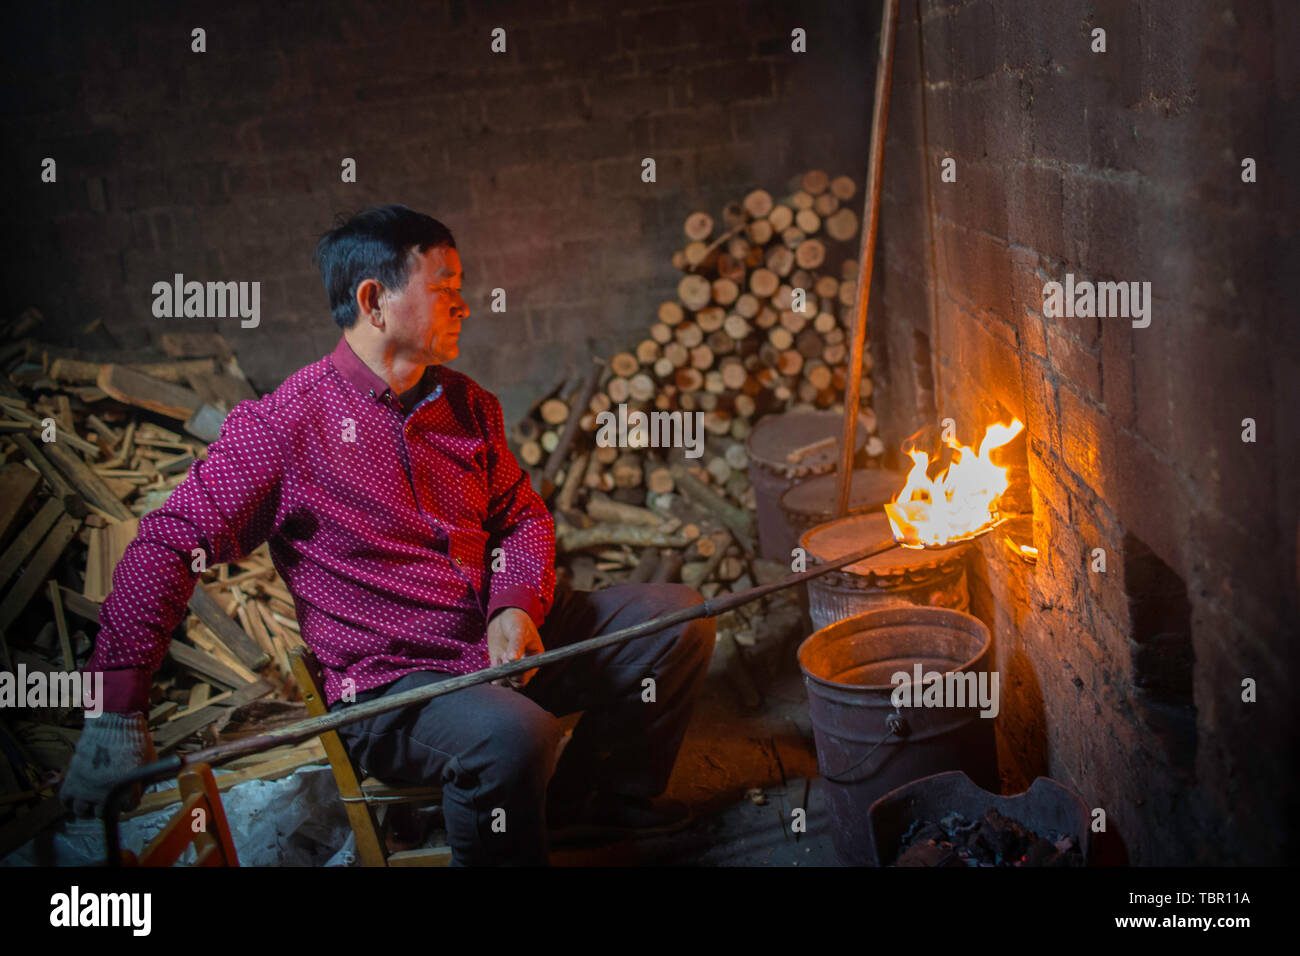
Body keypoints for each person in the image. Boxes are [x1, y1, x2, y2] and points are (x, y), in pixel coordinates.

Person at [59, 204, 716, 865]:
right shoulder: (284, 429)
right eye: (445, 289)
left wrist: (514, 603)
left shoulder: (468, 405)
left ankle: (595, 810)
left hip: (498, 645)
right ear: (374, 301)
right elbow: (169, 541)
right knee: (513, 738)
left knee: (678, 619)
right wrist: (116, 710)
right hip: (395, 687)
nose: (464, 306)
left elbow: (521, 516)